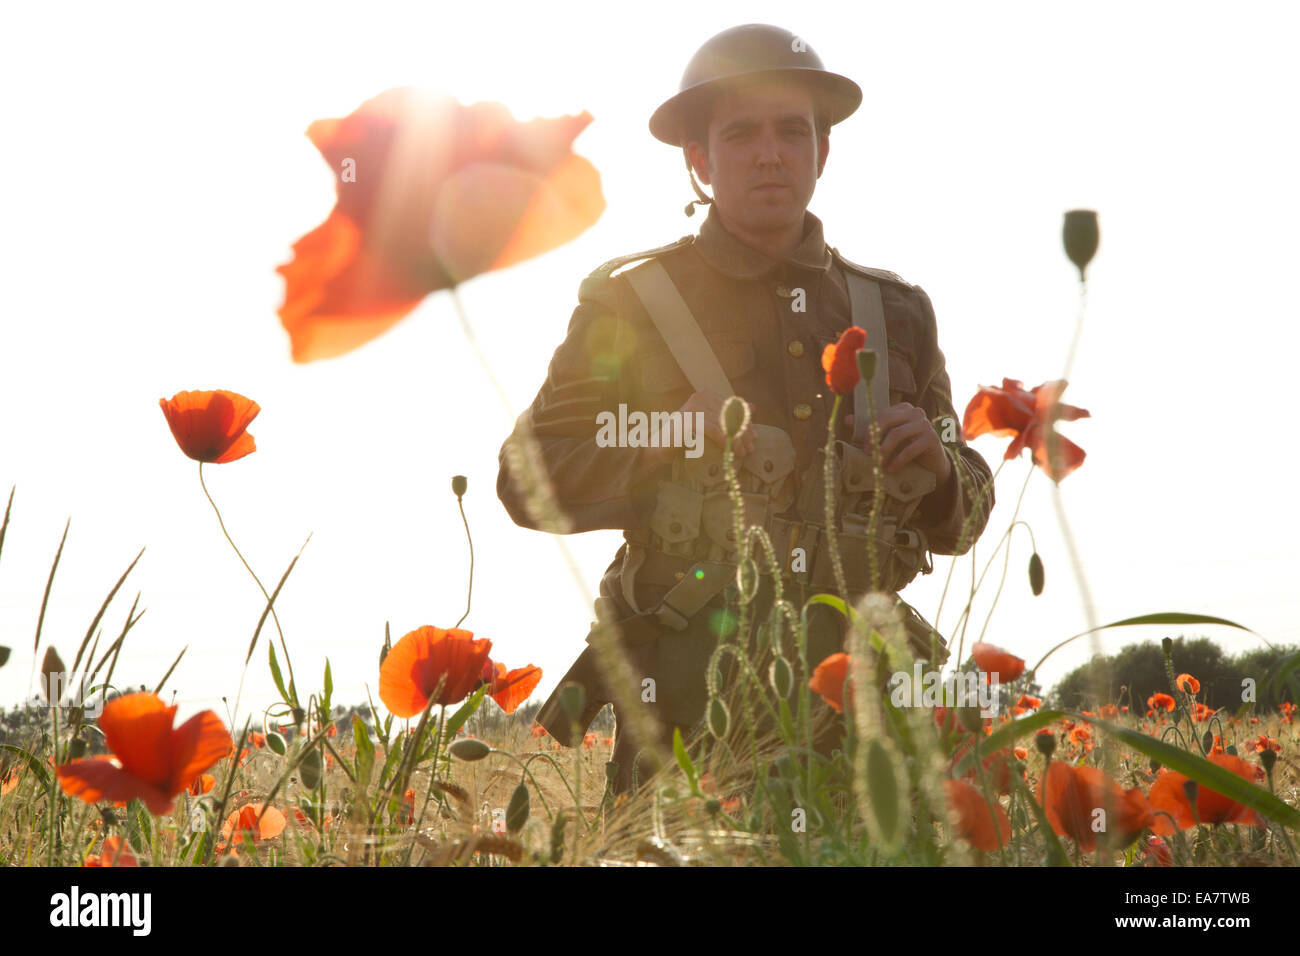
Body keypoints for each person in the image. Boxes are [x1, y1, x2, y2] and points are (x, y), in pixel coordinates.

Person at [497, 23, 995, 795]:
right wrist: (668, 438)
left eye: (793, 133)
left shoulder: (898, 311)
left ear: (823, 154)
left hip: (861, 716)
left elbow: (967, 518)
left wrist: (939, 473)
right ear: (699, 160)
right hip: (688, 712)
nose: (770, 153)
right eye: (741, 134)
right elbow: (524, 481)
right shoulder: (630, 306)